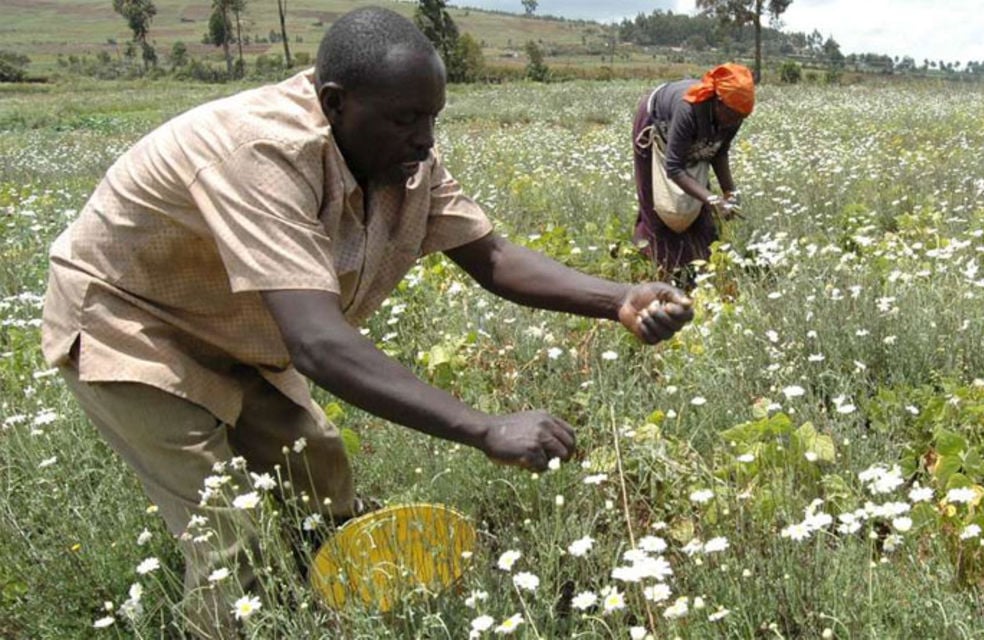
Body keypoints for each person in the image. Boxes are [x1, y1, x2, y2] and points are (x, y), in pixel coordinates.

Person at [40, 7, 692, 638]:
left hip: (231, 327)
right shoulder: (261, 152)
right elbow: (318, 344)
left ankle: (327, 612)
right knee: (227, 537)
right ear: (334, 103)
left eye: (433, 117)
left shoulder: (399, 158)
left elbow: (491, 257)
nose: (427, 140)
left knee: (319, 475)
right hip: (129, 324)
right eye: (407, 119)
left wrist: (619, 299)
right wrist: (484, 428)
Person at [631, 63, 754, 286]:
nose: (735, 122)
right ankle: (661, 272)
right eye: (732, 115)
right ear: (718, 101)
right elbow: (674, 168)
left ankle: (698, 265)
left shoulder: (734, 113)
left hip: (688, 132)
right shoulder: (687, 109)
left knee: (696, 205)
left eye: (741, 117)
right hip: (655, 125)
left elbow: (719, 151)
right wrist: (713, 199)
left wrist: (729, 191)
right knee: (658, 203)